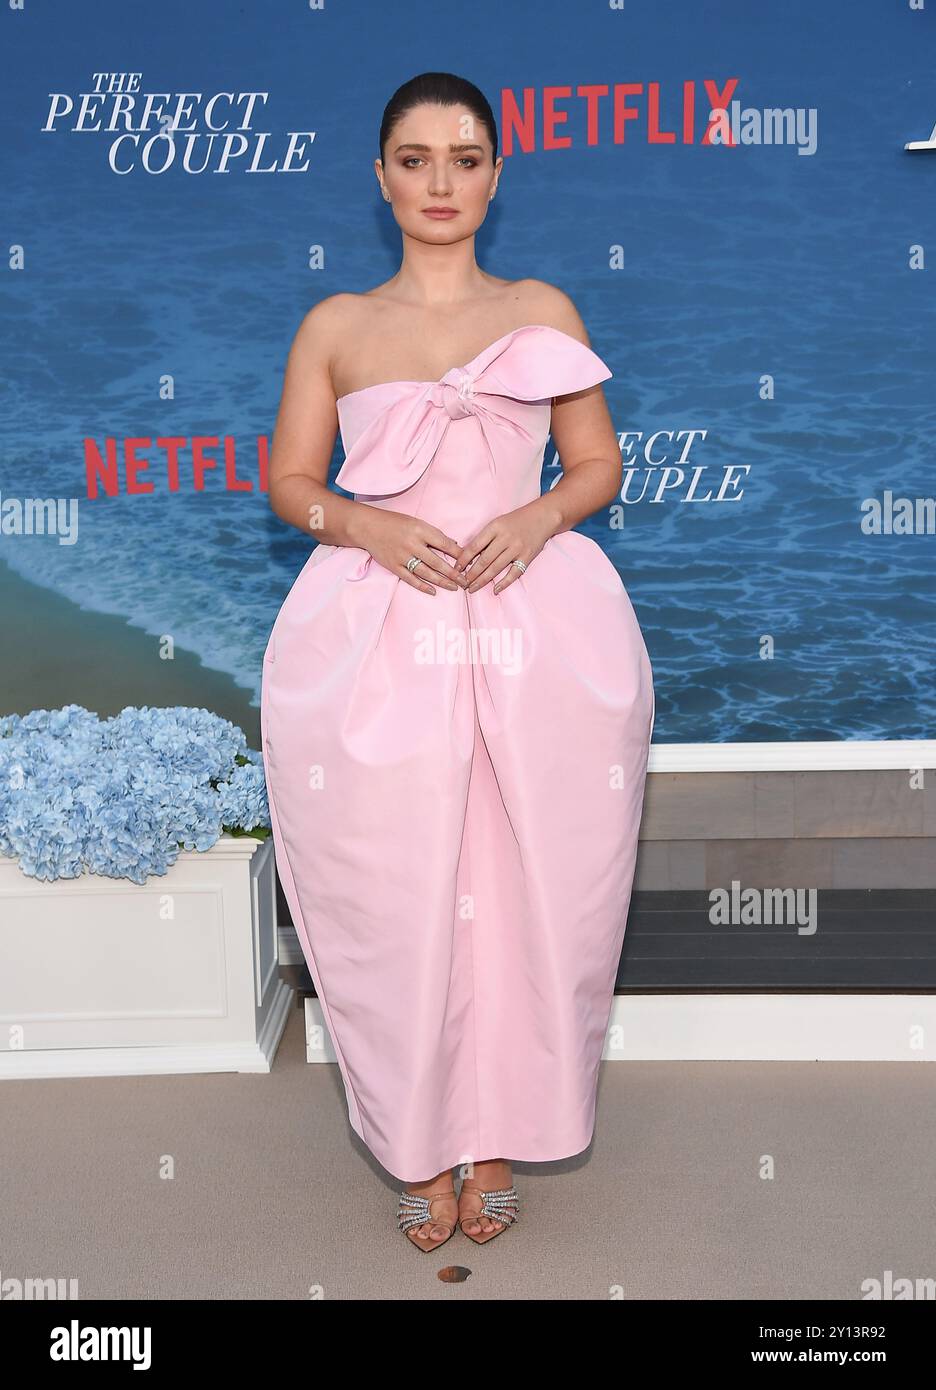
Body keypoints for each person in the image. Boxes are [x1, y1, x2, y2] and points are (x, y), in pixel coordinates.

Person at [261, 71, 654, 1252]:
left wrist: (532, 522)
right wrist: (370, 524)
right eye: (417, 157)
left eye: (466, 157)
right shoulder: (337, 324)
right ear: (381, 176)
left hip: (536, 631)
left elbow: (596, 466)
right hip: (383, 634)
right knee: (401, 892)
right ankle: (418, 1139)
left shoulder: (544, 309)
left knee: (532, 889)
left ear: (498, 172)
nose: (442, 180)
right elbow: (289, 483)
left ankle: (495, 1137)